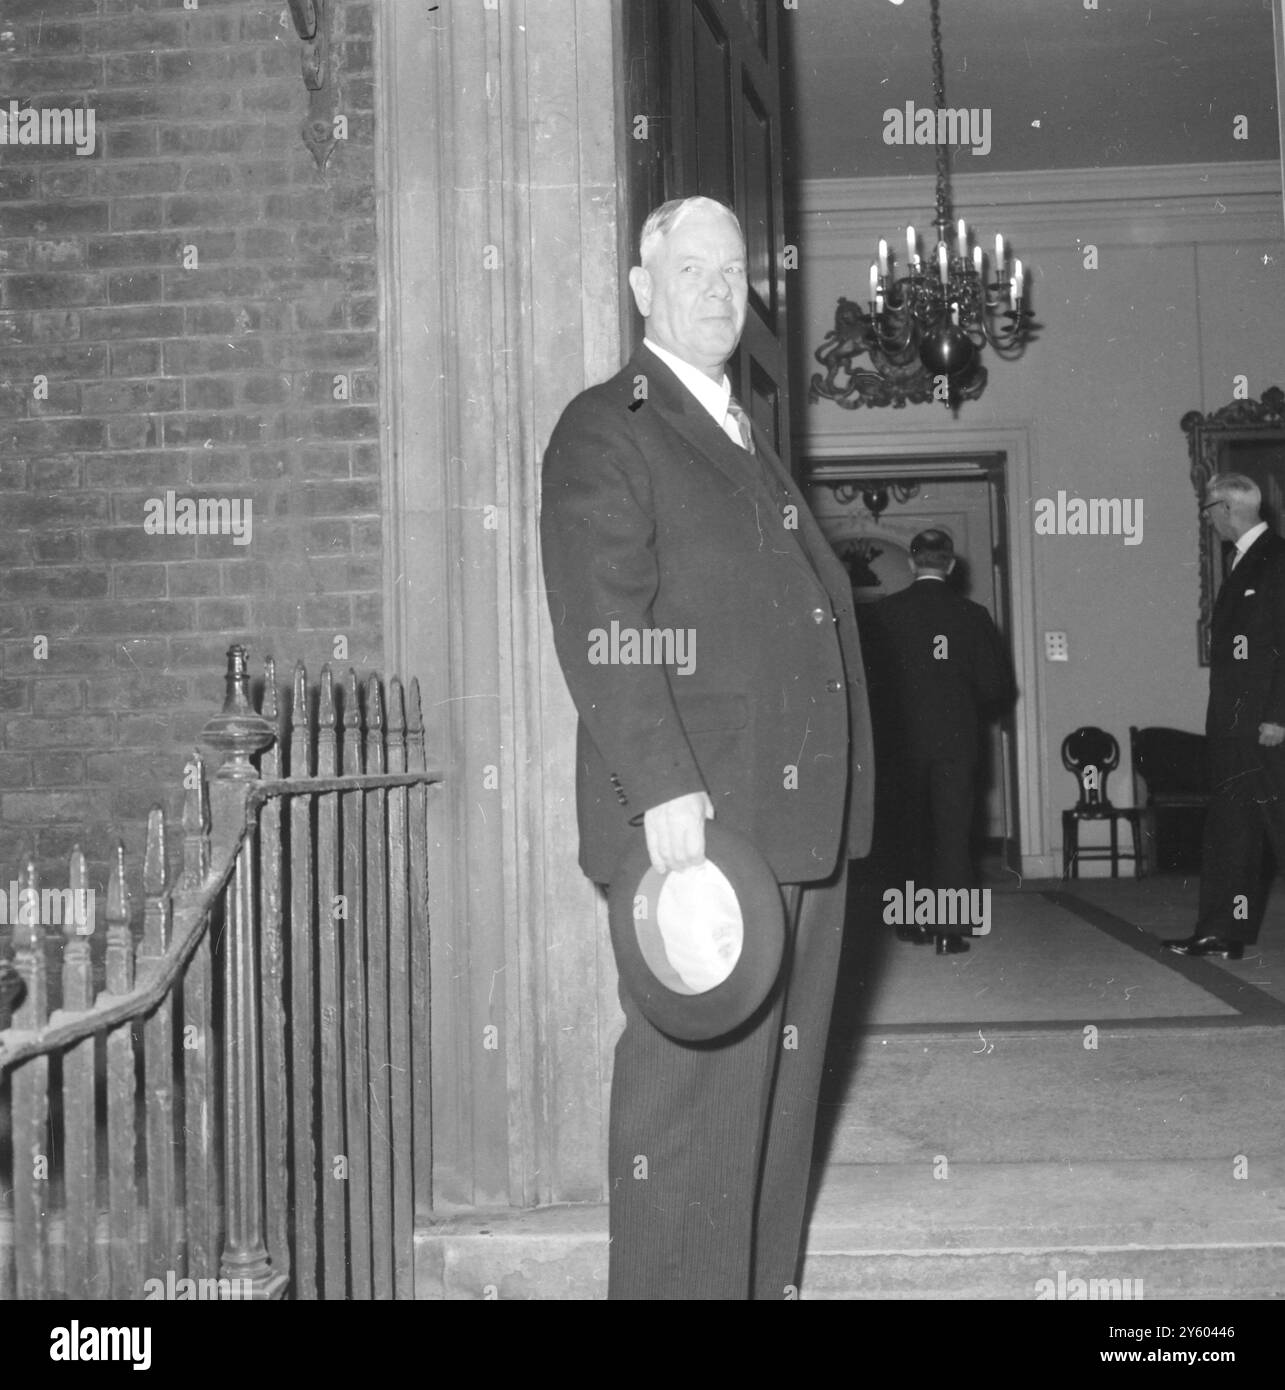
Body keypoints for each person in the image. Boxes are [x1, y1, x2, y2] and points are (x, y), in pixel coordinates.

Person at [540, 196, 874, 1300]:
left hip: (792, 826)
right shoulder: (612, 421)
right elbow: (604, 622)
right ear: (642, 289)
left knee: (769, 1118)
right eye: (692, 268)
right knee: (688, 1120)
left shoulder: (740, 431)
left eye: (734, 270)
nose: (720, 289)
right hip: (705, 825)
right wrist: (664, 789)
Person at [857, 529, 1013, 953]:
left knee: (906, 830)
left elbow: (869, 685)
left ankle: (909, 923)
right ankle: (950, 929)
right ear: (950, 565)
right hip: (956, 740)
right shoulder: (973, 615)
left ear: (911, 563)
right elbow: (995, 687)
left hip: (901, 741)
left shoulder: (883, 614)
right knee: (954, 831)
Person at [1164, 473, 1285, 959]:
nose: (1208, 520)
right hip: (1235, 723)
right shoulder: (1242, 562)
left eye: (1208, 510)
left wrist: (1279, 716)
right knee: (1232, 828)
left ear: (1226, 508)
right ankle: (1222, 929)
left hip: (1265, 724)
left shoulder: (1277, 559)